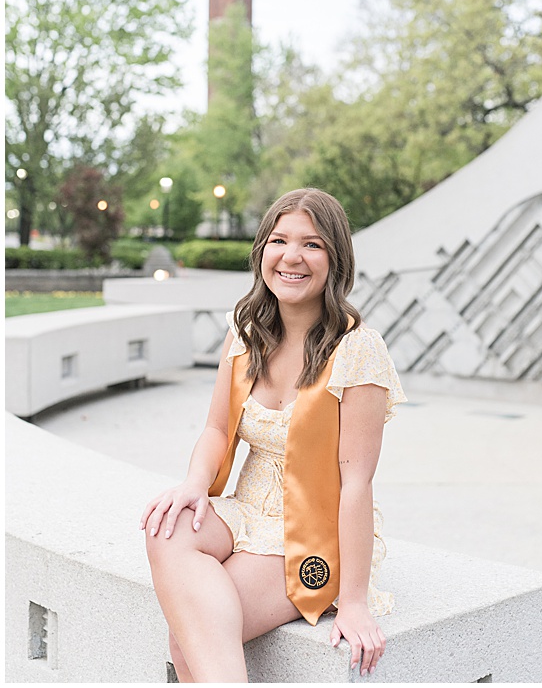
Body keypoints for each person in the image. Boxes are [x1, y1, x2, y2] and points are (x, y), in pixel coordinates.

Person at [142, 188, 406, 680]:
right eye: (279, 241)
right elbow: (218, 429)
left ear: (336, 258)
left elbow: (357, 483)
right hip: (245, 509)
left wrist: (352, 602)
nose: (292, 257)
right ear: (262, 249)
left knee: (190, 634)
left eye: (312, 244)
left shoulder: (358, 350)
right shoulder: (246, 332)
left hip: (310, 530)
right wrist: (195, 485)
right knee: (169, 526)